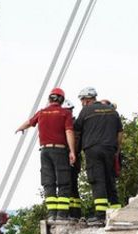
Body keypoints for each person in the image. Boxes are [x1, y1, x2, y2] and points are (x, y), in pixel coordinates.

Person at [16, 88, 77, 222]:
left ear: (49, 99)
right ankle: (62, 214)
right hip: (60, 150)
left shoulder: (42, 112)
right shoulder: (65, 113)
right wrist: (72, 151)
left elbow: (29, 122)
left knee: (48, 182)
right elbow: (69, 132)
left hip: (44, 151)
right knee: (63, 182)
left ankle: (51, 214)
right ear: (61, 100)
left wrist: (20, 128)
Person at [74, 87, 123, 225]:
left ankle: (100, 215)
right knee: (110, 180)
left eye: (82, 100)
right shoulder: (112, 111)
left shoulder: (86, 111)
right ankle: (116, 213)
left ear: (86, 100)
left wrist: (75, 151)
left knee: (97, 181)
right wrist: (117, 150)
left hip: (93, 150)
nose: (82, 103)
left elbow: (76, 131)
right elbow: (120, 133)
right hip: (110, 150)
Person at [63, 99, 83, 220]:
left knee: (69, 186)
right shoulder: (74, 124)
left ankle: (72, 213)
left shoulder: (72, 125)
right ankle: (75, 212)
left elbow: (75, 142)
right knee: (72, 187)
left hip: (70, 158)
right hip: (73, 158)